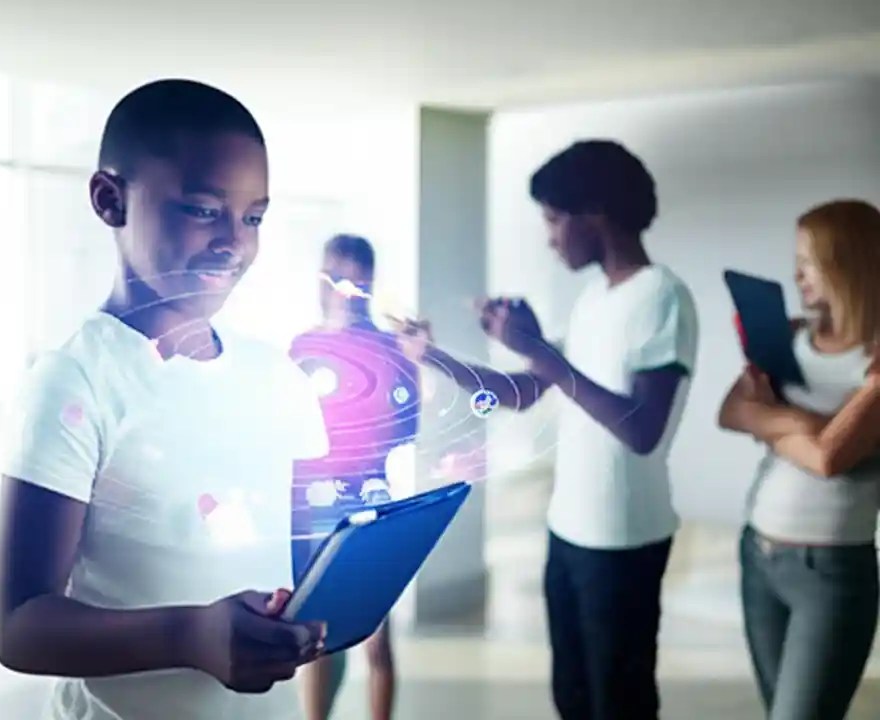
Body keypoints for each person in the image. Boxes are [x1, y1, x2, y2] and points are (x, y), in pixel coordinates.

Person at [0, 79, 329, 720]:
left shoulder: (276, 375)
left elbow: (297, 555)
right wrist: (189, 636)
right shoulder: (75, 383)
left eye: (253, 218)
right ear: (110, 200)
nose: (235, 242)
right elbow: (18, 626)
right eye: (203, 210)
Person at [400, 140, 699, 720]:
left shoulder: (662, 296)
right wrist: (432, 357)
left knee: (620, 705)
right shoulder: (594, 298)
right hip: (568, 532)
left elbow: (642, 429)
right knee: (573, 699)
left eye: (555, 220)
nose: (550, 237)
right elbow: (523, 392)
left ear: (596, 213)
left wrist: (538, 349)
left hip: (624, 542)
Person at [718, 199, 880, 720]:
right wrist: (811, 426)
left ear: (848, 264)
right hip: (758, 554)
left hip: (830, 572)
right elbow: (731, 412)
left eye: (809, 262)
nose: (796, 275)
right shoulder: (787, 336)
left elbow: (830, 460)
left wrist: (774, 420)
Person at [290, 234, 419, 720]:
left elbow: (408, 427)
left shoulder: (389, 348)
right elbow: (285, 430)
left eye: (356, 278)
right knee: (316, 637)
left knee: (377, 639)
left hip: (370, 504)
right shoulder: (303, 347)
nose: (345, 288)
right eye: (336, 276)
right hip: (313, 507)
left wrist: (412, 363)